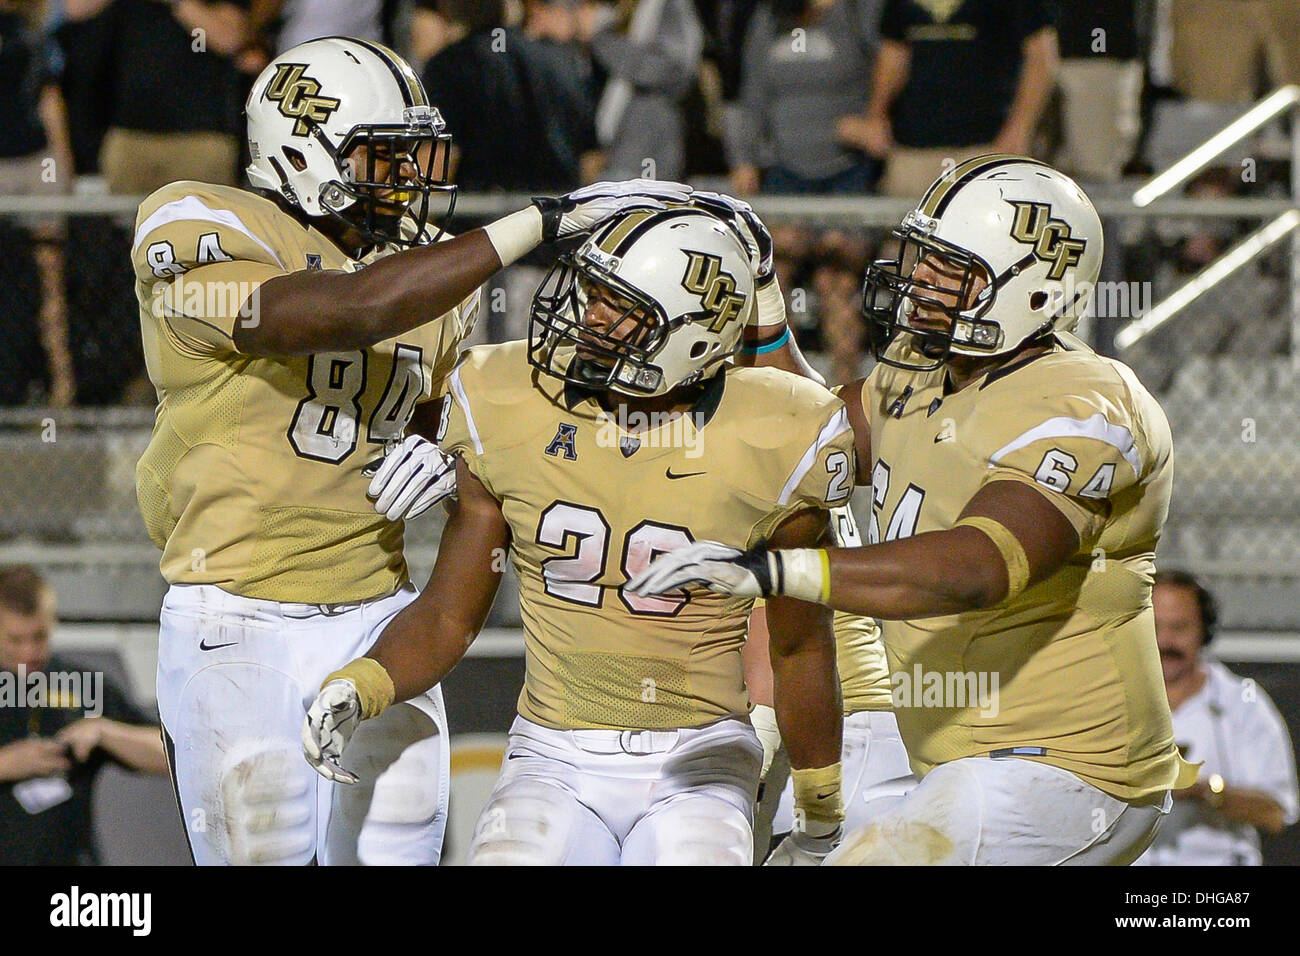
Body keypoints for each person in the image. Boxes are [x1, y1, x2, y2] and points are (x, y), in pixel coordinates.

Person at [132, 34, 689, 865]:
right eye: (381, 159)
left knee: (397, 849)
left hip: (374, 614)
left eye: (410, 158)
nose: (406, 180)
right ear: (299, 148)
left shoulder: (422, 274)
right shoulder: (202, 221)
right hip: (235, 616)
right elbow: (338, 313)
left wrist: (434, 455)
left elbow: (426, 411)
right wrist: (536, 223)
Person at [630, 155, 1197, 865]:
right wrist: (764, 305)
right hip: (962, 763)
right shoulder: (923, 367)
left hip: (1076, 773)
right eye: (922, 254)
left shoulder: (1085, 402)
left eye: (949, 267)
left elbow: (979, 567)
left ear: (1034, 288)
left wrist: (780, 572)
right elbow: (809, 438)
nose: (916, 276)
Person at [303, 205, 854, 865]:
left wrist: (820, 813)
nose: (586, 316)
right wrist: (364, 683)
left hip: (700, 759)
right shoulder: (509, 396)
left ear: (695, 337)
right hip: (552, 753)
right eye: (591, 292)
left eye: (619, 307)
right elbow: (451, 615)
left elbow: (798, 648)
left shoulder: (780, 430)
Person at [0, 566, 167, 866]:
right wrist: (5, 764)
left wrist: (105, 731)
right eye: (15, 640)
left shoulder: (82, 687)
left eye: (39, 637)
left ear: (52, 623)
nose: (28, 652)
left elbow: (170, 756)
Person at [1135, 570, 1299, 865]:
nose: (1165, 642)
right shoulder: (1106, 699)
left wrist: (1206, 791)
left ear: (1205, 630)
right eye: (1154, 627)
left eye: (1180, 628)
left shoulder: (1243, 703)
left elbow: (1276, 813)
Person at [838, 0, 1058, 198]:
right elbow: (894, 54)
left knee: (982, 235)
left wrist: (1019, 129)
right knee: (907, 237)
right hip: (912, 145)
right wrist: (876, 116)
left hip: (986, 144)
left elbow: (1041, 55)